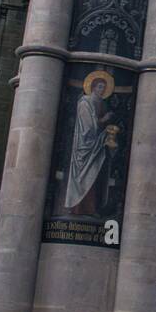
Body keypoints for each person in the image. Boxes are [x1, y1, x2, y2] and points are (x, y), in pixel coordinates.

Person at [66, 73, 114, 214]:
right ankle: (77, 208)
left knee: (95, 177)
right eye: (99, 86)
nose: (101, 90)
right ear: (92, 87)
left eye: (104, 88)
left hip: (97, 146)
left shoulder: (102, 103)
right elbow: (87, 127)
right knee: (84, 177)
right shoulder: (84, 102)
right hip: (85, 146)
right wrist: (104, 120)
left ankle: (91, 208)